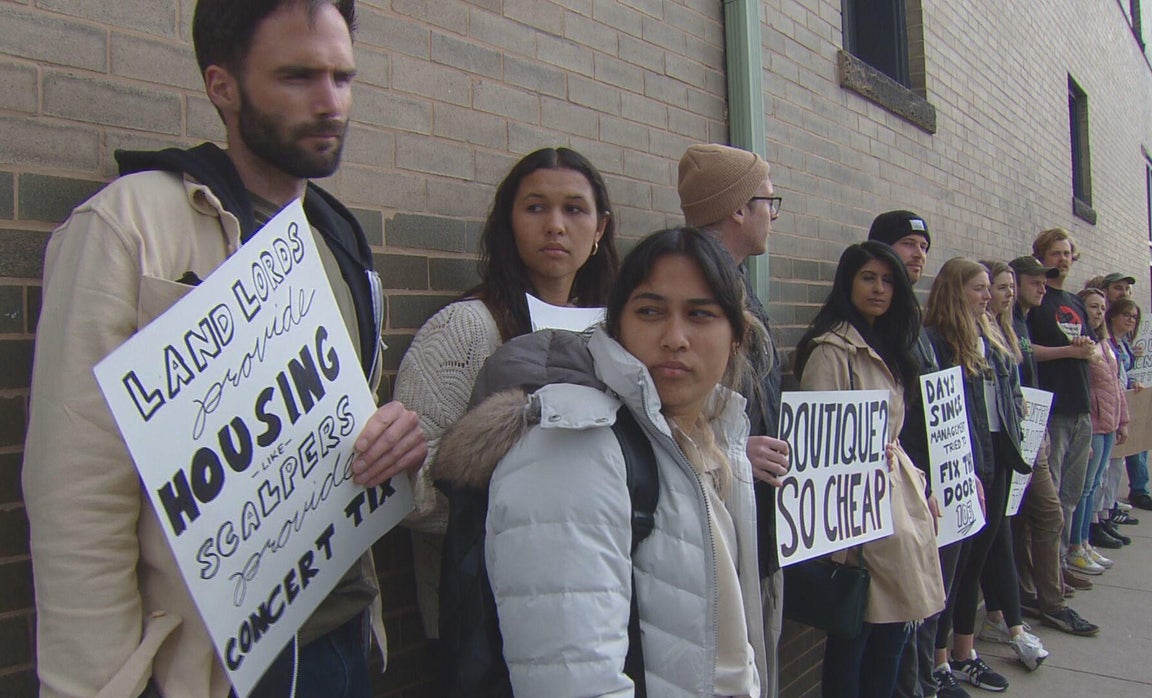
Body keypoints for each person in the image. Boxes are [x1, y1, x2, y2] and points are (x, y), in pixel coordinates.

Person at [22, 2, 429, 696]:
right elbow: (76, 488)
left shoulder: (341, 242)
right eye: (299, 76)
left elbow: (337, 432)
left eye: (343, 76)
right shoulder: (133, 224)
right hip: (210, 665)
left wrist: (398, 445)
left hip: (344, 637)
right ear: (222, 86)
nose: (331, 102)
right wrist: (103, 684)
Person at [431, 227, 768, 696]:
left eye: (700, 314)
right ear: (617, 325)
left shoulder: (704, 436)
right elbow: (572, 679)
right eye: (650, 311)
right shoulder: (573, 443)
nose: (675, 338)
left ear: (736, 336)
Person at [393, 147, 618, 651]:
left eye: (574, 209)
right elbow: (407, 486)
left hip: (596, 605)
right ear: (508, 223)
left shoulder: (618, 336)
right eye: (535, 207)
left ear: (600, 229)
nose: (555, 225)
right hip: (490, 619)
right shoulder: (465, 330)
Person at [793, 241, 944, 698]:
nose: (880, 289)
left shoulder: (890, 343)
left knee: (892, 636)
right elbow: (818, 444)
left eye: (888, 280)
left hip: (898, 502)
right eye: (868, 278)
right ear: (848, 283)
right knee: (855, 641)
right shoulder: (831, 350)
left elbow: (896, 433)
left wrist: (921, 485)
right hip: (859, 518)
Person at [678, 142, 788, 694]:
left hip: (757, 523)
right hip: (720, 533)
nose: (774, 213)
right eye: (770, 200)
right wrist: (733, 452)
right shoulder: (694, 291)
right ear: (739, 208)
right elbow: (664, 411)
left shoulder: (736, 285)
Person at [924, 258, 1042, 692]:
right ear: (956, 291)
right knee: (952, 566)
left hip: (999, 459)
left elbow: (1009, 389)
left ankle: (964, 650)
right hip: (963, 464)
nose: (988, 296)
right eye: (978, 288)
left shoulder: (989, 335)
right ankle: (938, 661)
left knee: (978, 560)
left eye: (989, 288)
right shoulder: (936, 341)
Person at [866, 210, 961, 698]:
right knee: (901, 615)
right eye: (907, 243)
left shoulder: (913, 326)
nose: (919, 253)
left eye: (924, 245)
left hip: (926, 485)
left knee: (927, 601)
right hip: (897, 494)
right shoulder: (874, 331)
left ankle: (927, 681)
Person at [1006, 256, 1101, 636]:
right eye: (1032, 282)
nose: (1041, 289)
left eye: (1043, 283)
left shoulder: (1020, 321)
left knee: (1047, 513)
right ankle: (1041, 600)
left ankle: (1045, 596)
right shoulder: (1010, 322)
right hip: (1019, 435)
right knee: (1044, 514)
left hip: (1035, 428)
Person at [974, 260, 1054, 670]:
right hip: (989, 449)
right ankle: (1010, 625)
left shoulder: (1009, 328)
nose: (1001, 295)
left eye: (1005, 287)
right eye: (997, 286)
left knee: (1000, 534)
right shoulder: (981, 332)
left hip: (1011, 441)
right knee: (994, 537)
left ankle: (1005, 618)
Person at [1025, 228, 1098, 588]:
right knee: (1050, 499)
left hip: (1081, 406)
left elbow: (1094, 349)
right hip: (1052, 409)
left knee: (1072, 493)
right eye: (1055, 253)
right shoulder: (1038, 302)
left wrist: (1086, 349)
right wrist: (1068, 351)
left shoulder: (1075, 300)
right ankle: (1047, 575)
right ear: (1041, 256)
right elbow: (1026, 349)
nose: (1062, 259)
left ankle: (1062, 562)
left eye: (1067, 253)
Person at [1066, 288, 1130, 576]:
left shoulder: (1105, 344)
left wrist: (1123, 419)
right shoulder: (1081, 344)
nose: (1098, 312)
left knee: (1094, 485)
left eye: (1102, 307)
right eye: (1092, 306)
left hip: (1109, 421)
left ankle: (1084, 540)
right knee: (1083, 487)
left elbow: (1116, 384)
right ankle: (1075, 546)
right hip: (1092, 421)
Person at [1107, 298, 1152, 511]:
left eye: (1134, 317)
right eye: (1126, 315)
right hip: (1109, 406)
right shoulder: (1107, 342)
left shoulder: (1124, 342)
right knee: (1107, 466)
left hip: (1124, 403)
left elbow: (1123, 373)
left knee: (1117, 462)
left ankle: (1108, 507)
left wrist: (1132, 381)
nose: (1131, 320)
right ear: (1113, 316)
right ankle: (1102, 514)